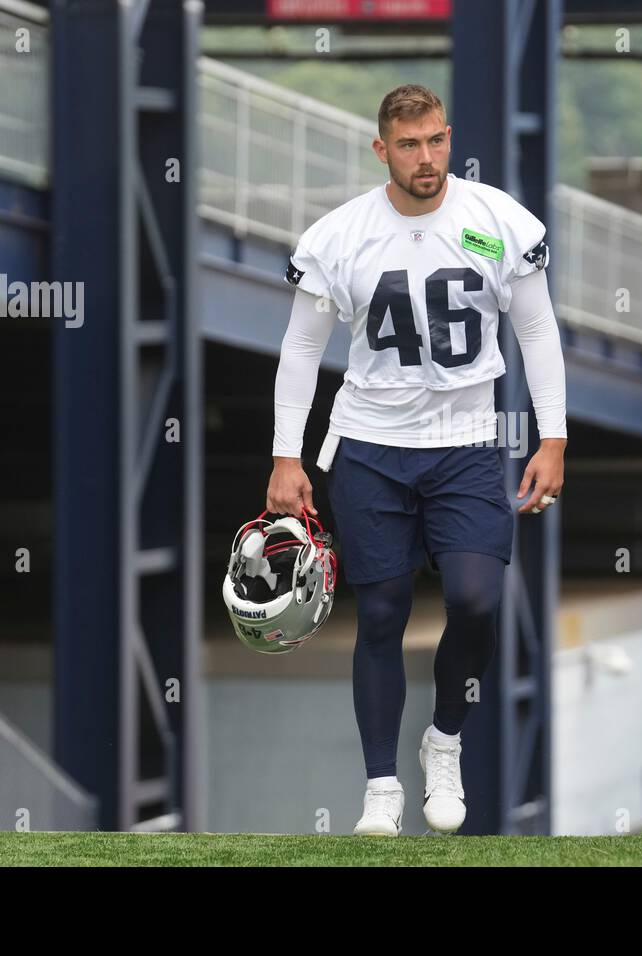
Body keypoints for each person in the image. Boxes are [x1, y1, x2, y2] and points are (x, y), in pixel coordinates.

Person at [266, 84, 567, 836]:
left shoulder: (496, 221)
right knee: (381, 613)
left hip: (466, 444)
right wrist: (285, 456)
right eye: (408, 144)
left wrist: (552, 437)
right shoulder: (341, 235)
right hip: (370, 446)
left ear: (448, 137)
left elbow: (537, 330)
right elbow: (301, 348)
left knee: (475, 599)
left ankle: (445, 740)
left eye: (435, 140)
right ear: (382, 150)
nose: (425, 157)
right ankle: (380, 787)